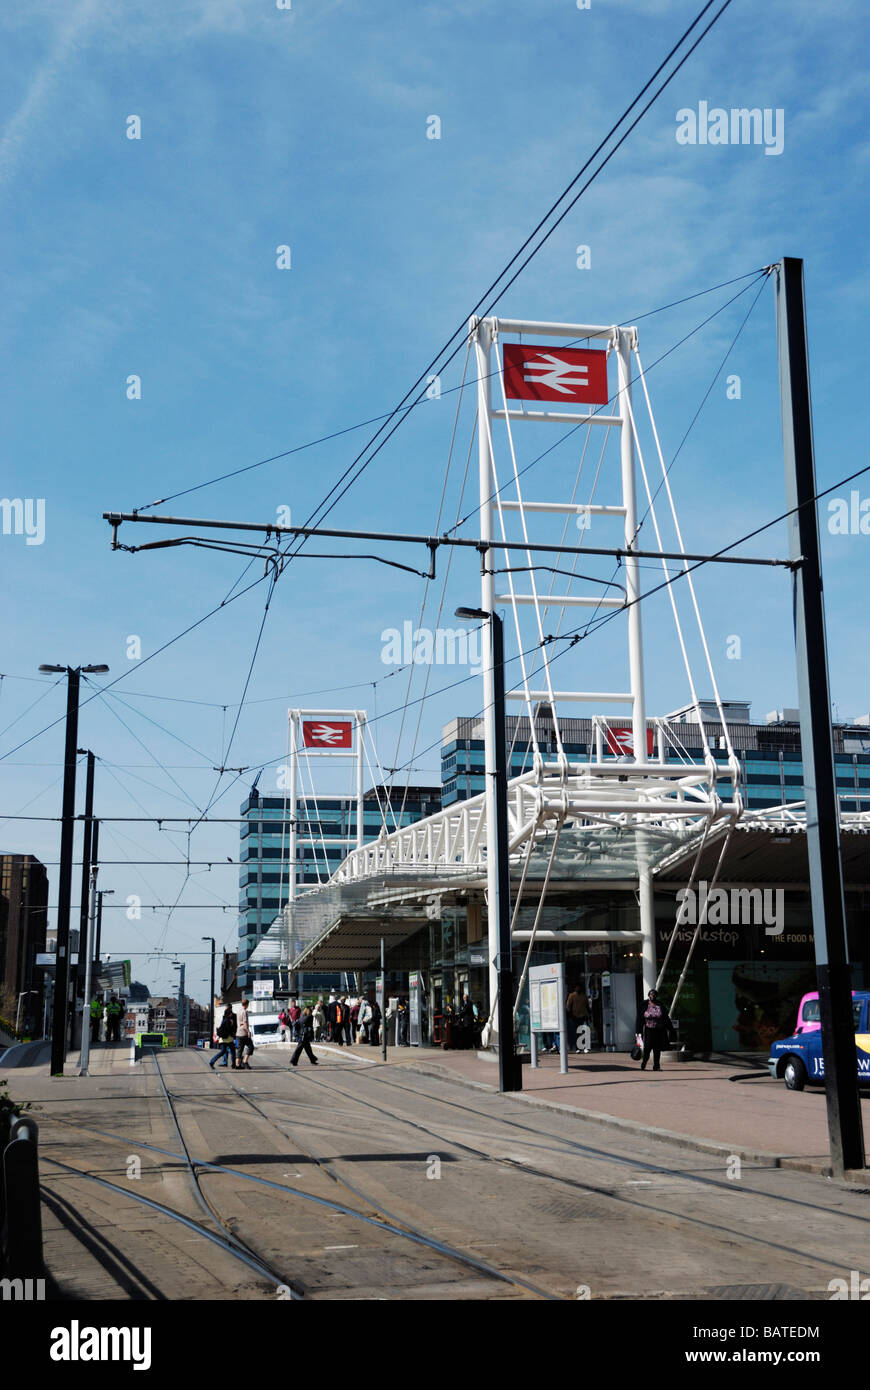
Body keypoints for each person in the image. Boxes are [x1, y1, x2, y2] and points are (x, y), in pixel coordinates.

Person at [635, 988, 672, 1072]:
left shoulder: (660, 1005)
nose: (653, 996)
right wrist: (638, 1032)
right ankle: (644, 1062)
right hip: (648, 1030)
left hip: (658, 1030)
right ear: (649, 995)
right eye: (651, 994)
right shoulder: (644, 1005)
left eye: (654, 994)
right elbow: (639, 1019)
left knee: (657, 1049)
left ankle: (656, 1066)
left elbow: (666, 1018)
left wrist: (671, 1029)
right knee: (647, 1048)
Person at [565, 984, 591, 1053]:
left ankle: (580, 1047)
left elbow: (568, 1007)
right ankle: (580, 1047)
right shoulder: (573, 996)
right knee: (580, 1032)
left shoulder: (573, 995)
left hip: (579, 1016)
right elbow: (568, 1007)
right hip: (577, 1016)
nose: (578, 988)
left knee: (580, 1032)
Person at [235, 998, 254, 1070]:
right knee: (251, 1046)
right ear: (246, 1004)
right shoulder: (244, 1012)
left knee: (240, 1049)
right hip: (244, 1033)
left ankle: (237, 1065)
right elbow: (245, 1023)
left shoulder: (238, 1011)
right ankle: (245, 1061)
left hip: (238, 1032)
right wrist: (248, 1031)